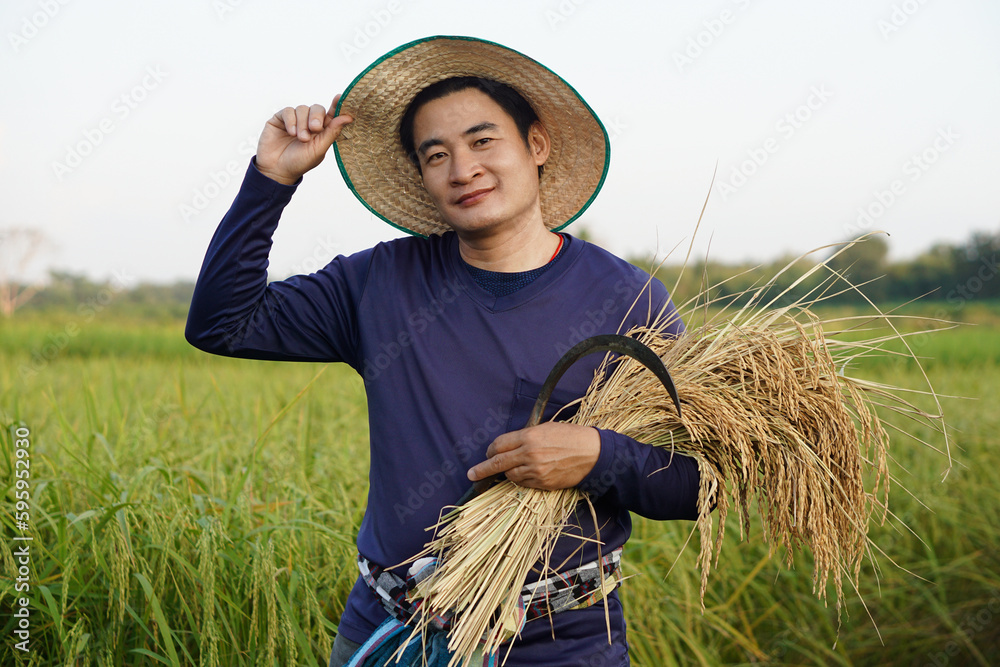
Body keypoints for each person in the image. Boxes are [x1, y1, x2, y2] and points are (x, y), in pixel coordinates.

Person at [186, 35, 701, 667]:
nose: (463, 169)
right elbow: (223, 324)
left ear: (535, 146)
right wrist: (272, 179)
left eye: (484, 142)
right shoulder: (379, 282)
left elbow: (696, 483)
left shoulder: (626, 301)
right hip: (390, 629)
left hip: (556, 642)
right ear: (424, 178)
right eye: (437, 155)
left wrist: (601, 456)